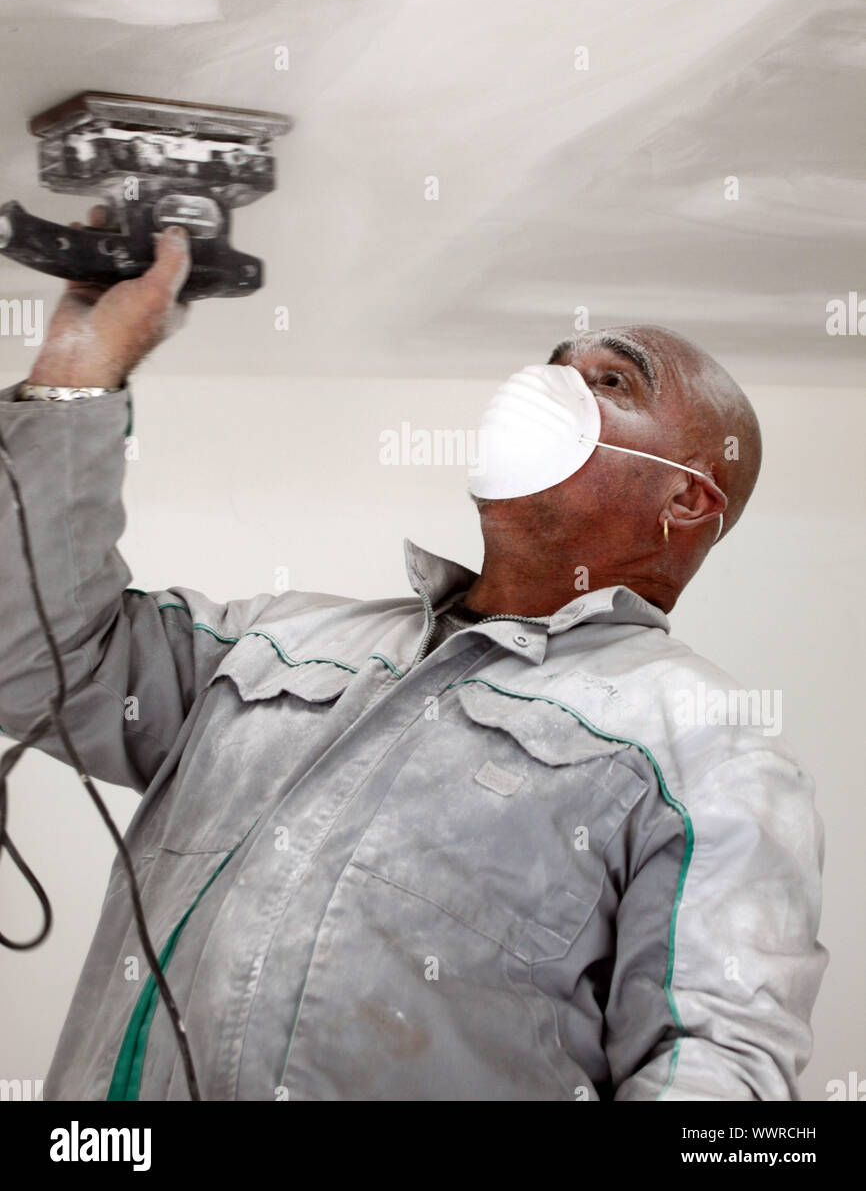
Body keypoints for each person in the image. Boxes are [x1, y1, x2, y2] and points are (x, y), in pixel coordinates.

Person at [0, 217, 827, 1101]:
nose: (550, 386)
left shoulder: (706, 750)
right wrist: (77, 373)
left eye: (610, 380)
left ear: (686, 499)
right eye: (556, 365)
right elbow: (37, 656)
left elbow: (721, 1075)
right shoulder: (283, 643)